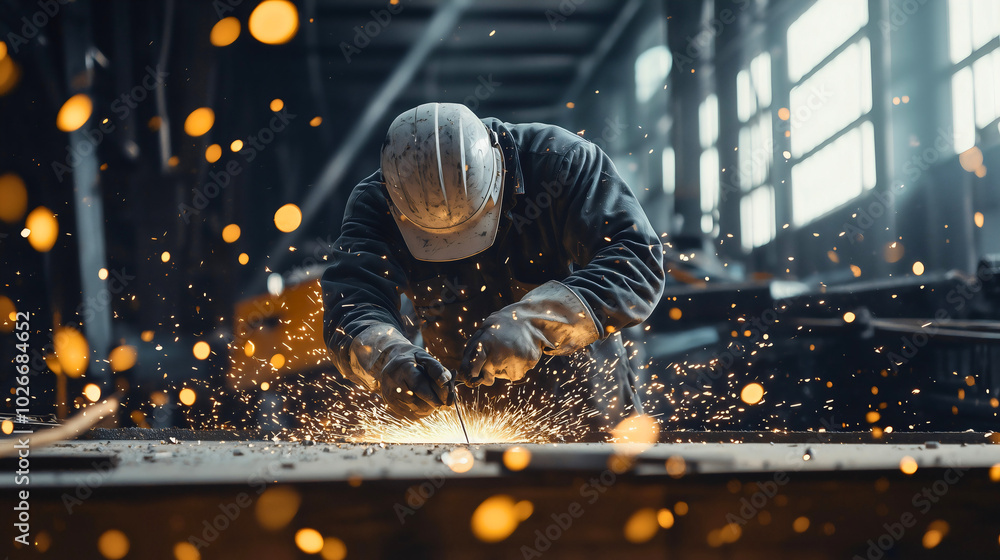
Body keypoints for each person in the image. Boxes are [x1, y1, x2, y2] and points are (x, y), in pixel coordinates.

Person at [322, 102, 664, 436]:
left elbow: (637, 262)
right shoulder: (376, 204)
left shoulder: (561, 163)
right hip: (464, 411)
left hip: (586, 399)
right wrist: (388, 355)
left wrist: (536, 322)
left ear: (498, 172)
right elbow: (354, 301)